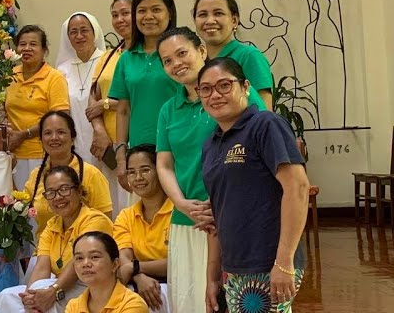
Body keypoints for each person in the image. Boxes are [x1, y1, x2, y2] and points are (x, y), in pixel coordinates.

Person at [152, 28, 265, 313]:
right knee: (189, 300)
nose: (176, 63)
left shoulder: (236, 97)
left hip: (230, 219)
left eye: (182, 53)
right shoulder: (168, 109)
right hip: (187, 218)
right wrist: (182, 204)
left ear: (201, 51)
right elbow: (164, 164)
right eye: (167, 60)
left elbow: (259, 153)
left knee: (233, 302)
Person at [200, 58, 309, 313]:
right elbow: (217, 212)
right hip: (234, 264)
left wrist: (283, 262)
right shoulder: (211, 143)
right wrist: (213, 276)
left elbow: (298, 188)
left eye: (224, 85)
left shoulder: (265, 125)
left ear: (246, 86)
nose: (214, 95)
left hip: (267, 261)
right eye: (205, 89)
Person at [0, 167, 113, 313]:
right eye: (51, 192)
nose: (57, 197)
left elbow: (78, 264)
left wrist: (53, 291)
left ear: (79, 191)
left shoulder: (94, 220)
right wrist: (31, 296)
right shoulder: (52, 225)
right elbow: (41, 267)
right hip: (61, 286)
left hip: (92, 286)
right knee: (6, 296)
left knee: (48, 305)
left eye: (64, 189)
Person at [111, 0, 180, 187]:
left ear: (170, 14)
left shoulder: (180, 53)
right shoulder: (126, 59)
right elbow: (123, 110)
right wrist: (121, 155)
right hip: (140, 155)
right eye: (142, 11)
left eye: (156, 9)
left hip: (177, 148)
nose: (148, 16)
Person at [22, 111, 113, 234]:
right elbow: (18, 209)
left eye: (61, 132)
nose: (54, 138)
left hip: (83, 250)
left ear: (72, 138)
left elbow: (104, 225)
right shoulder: (36, 175)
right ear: (41, 140)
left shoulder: (91, 174)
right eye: (48, 133)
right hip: (45, 249)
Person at [4, 25, 70, 189]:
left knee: (38, 207)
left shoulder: (54, 78)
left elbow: (61, 118)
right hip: (12, 154)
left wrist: (24, 134)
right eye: (22, 44)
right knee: (17, 206)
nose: (27, 48)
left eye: (33, 44)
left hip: (40, 154)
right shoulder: (10, 75)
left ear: (44, 50)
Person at [87, 0, 134, 209]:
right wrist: (100, 132)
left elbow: (144, 96)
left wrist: (106, 103)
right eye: (115, 15)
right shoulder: (108, 56)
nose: (120, 19)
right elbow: (92, 95)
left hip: (136, 141)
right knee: (111, 204)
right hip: (107, 146)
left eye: (126, 13)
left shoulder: (149, 54)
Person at [114, 145, 173, 313]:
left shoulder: (178, 212)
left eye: (145, 170)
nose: (138, 177)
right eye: (131, 172)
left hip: (175, 283)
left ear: (160, 170)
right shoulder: (125, 216)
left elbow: (178, 263)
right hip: (138, 281)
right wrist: (139, 276)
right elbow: (123, 258)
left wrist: (135, 268)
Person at [192, 0, 274, 108]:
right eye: (202, 15)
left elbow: (264, 113)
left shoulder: (249, 56)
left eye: (218, 13)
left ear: (234, 20)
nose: (209, 21)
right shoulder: (195, 61)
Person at [56, 12, 106, 166]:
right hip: (76, 144)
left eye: (84, 30)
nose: (79, 36)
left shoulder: (108, 62)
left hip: (106, 141)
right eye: (73, 32)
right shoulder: (62, 70)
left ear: (94, 32)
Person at [66, 232, 150, 313]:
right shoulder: (73, 306)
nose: (85, 264)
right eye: (79, 258)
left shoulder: (133, 305)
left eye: (94, 257)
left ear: (115, 264)